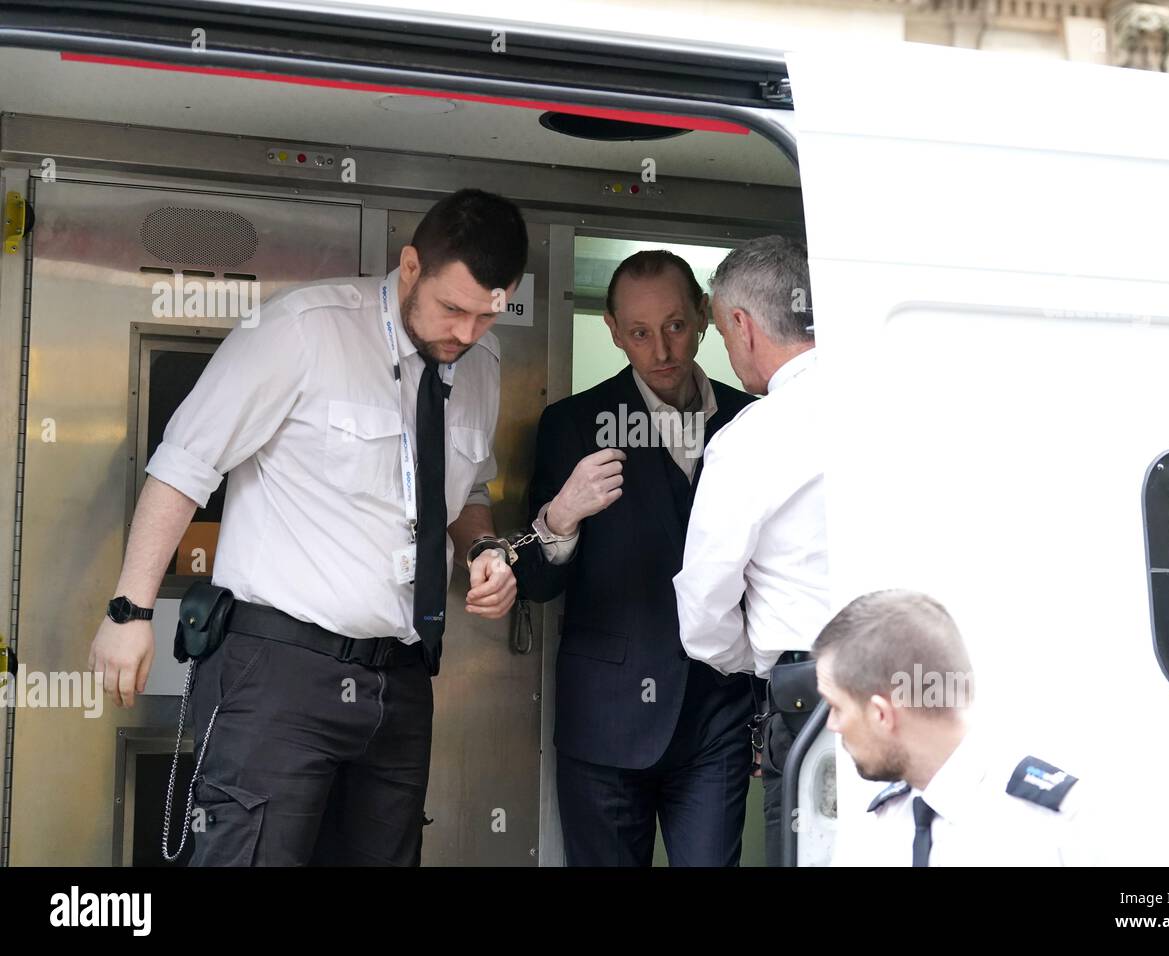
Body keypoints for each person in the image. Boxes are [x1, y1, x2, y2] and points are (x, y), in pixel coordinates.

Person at [88, 188, 529, 866]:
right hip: (279, 675)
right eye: (452, 309)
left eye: (486, 316)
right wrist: (129, 609)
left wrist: (486, 551)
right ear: (410, 267)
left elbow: (466, 492)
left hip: (402, 681)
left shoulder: (482, 366)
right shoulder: (302, 330)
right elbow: (184, 465)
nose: (466, 335)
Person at [512, 250, 757, 866]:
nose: (663, 350)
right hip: (605, 720)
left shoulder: (751, 422)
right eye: (641, 333)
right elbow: (536, 584)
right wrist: (560, 516)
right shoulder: (572, 424)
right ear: (614, 332)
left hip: (716, 717)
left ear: (703, 315)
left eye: (675, 326)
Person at [672, 234, 832, 866]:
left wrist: (759, 661)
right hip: (925, 688)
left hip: (812, 700)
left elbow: (704, 608)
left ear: (741, 323)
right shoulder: (904, 405)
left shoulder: (751, 438)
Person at [813, 590, 1091, 866]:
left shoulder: (1058, 827)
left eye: (836, 707)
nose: (832, 724)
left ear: (881, 714)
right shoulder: (874, 828)